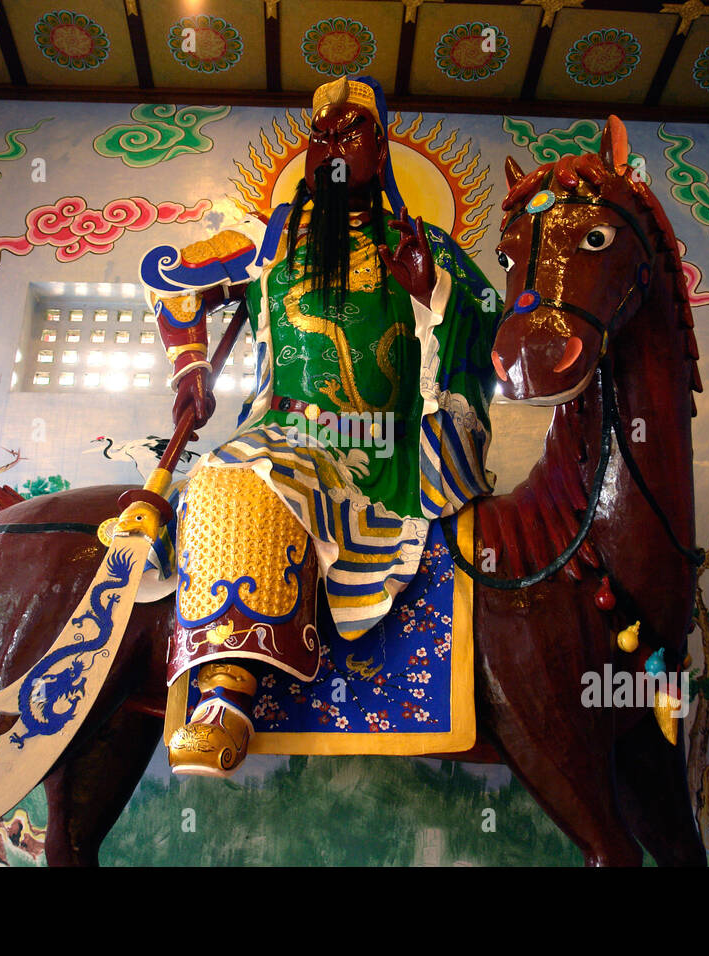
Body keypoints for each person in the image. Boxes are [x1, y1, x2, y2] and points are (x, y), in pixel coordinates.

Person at [157, 75, 499, 775]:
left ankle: (228, 693)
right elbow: (174, 283)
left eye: (350, 133)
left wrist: (429, 288)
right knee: (230, 470)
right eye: (321, 136)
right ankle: (223, 687)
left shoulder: (419, 239)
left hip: (381, 447)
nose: (332, 146)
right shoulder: (270, 244)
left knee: (249, 468)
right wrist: (190, 373)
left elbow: (485, 317)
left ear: (381, 149)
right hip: (282, 432)